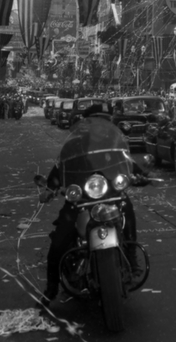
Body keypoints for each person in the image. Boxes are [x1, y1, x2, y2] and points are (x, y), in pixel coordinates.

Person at [37, 106, 148, 307]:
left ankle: (131, 259)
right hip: (81, 200)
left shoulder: (114, 143)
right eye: (96, 121)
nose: (101, 126)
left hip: (111, 196)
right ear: (87, 124)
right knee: (59, 242)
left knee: (128, 210)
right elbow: (60, 167)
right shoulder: (74, 146)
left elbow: (127, 161)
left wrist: (139, 174)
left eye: (104, 121)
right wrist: (50, 187)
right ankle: (51, 290)